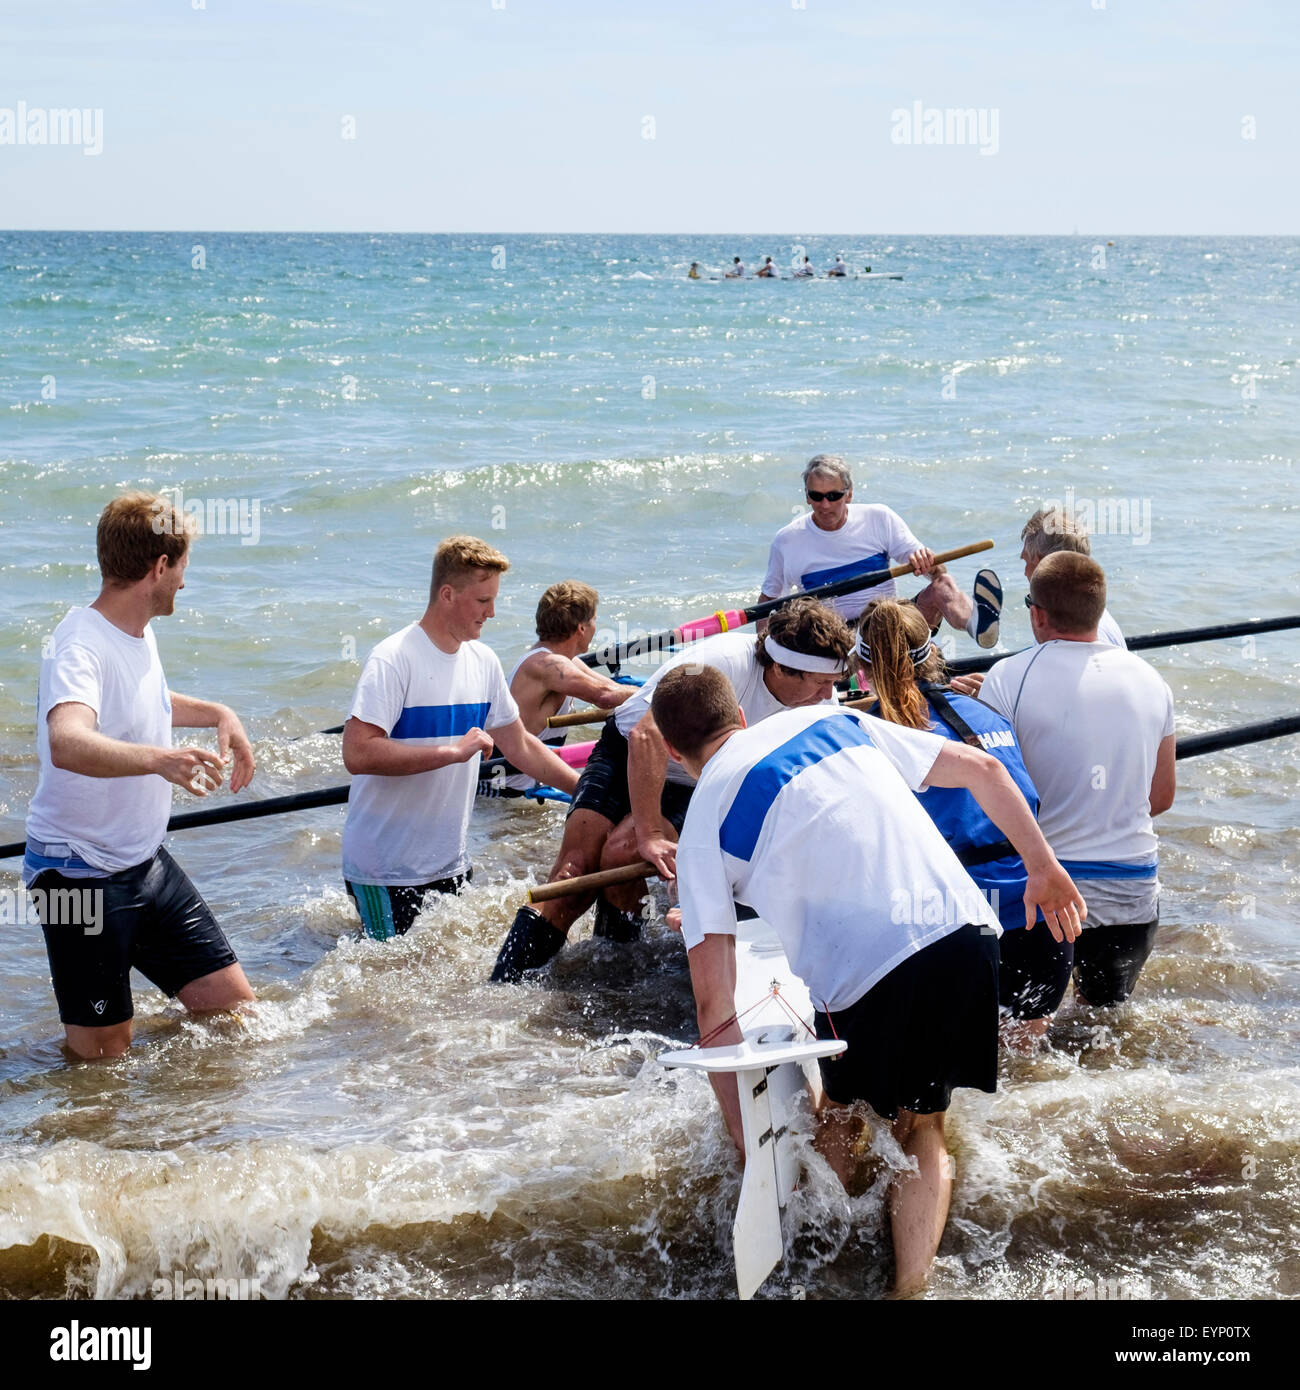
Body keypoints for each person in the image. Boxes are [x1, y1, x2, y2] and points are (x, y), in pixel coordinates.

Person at [654, 665, 1083, 1296]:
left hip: (866, 971)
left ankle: (827, 1263)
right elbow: (987, 771)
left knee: (841, 1114)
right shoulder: (832, 720)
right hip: (966, 931)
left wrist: (750, 1149)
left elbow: (715, 1009)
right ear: (741, 715)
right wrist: (1042, 867)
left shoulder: (699, 831)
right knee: (925, 1123)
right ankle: (910, 1286)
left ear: (671, 749)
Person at [489, 598, 853, 982]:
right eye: (821, 683)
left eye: (833, 682)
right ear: (781, 668)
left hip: (697, 776)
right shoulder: (720, 663)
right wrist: (651, 834)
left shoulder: (819, 702)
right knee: (572, 872)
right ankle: (503, 986)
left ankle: (616, 971)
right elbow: (646, 733)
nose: (828, 694)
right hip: (630, 747)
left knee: (620, 856)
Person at [22, 491, 258, 1060]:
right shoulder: (79, 643)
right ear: (158, 567)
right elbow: (69, 742)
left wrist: (217, 713)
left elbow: (143, 698)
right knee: (101, 1060)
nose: (183, 583)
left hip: (145, 863)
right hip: (78, 877)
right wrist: (162, 760)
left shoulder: (135, 630)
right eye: (181, 569)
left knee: (233, 1011)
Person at [341, 536, 580, 941]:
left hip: (450, 864)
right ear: (447, 594)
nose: (492, 612)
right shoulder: (394, 658)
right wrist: (452, 752)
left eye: (494, 600)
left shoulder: (483, 661)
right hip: (385, 869)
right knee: (390, 986)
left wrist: (585, 790)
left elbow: (520, 745)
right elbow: (358, 752)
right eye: (482, 601)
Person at [853, 600, 1067, 1041]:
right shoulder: (988, 713)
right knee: (1026, 1077)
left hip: (949, 928)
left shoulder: (861, 734)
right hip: (1040, 920)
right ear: (934, 656)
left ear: (860, 668)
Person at [978, 552, 1176, 1017]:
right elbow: (1161, 798)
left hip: (1043, 889)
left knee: (1023, 1038)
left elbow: (986, 799)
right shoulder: (1152, 680)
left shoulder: (1007, 677)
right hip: (1132, 891)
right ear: (1099, 612)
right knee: (1101, 1030)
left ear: (1037, 613)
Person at [759, 454, 1003, 645]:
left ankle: (977, 623)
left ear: (849, 493)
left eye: (833, 496)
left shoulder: (879, 518)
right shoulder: (787, 540)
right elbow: (768, 601)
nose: (825, 505)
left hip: (889, 623)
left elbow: (937, 572)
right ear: (807, 497)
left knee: (943, 583)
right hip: (831, 637)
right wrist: (764, 647)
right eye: (816, 496)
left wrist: (928, 563)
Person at [488, 580, 632, 797]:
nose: (595, 626)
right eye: (594, 620)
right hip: (497, 793)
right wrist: (665, 696)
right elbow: (605, 696)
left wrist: (655, 692)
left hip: (522, 788)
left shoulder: (563, 660)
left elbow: (612, 687)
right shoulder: (547, 666)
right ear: (581, 628)